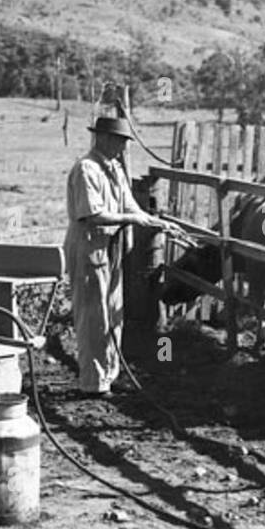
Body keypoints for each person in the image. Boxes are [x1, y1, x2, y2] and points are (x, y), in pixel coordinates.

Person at [64, 116, 182, 395]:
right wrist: (133, 219)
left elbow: (130, 207)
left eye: (124, 142)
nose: (122, 147)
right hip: (89, 247)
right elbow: (92, 215)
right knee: (94, 317)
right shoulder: (87, 169)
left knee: (114, 313)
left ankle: (110, 374)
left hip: (113, 247)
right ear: (103, 138)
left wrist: (158, 223)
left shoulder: (115, 168)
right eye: (119, 141)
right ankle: (92, 383)